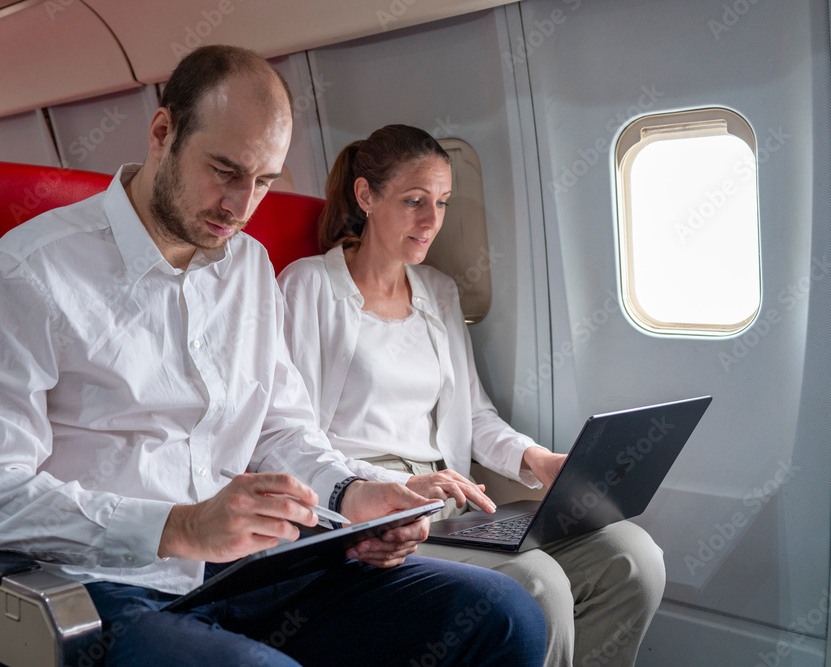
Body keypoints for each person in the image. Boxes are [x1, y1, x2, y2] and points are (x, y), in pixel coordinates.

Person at [0, 49, 547, 666]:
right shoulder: (31, 270)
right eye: (224, 170)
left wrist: (356, 495)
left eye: (265, 181)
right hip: (103, 591)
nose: (240, 205)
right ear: (163, 134)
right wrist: (177, 527)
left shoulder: (248, 268)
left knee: (506, 614)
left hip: (251, 573)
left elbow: (280, 428)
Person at [278, 124, 668, 667]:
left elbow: (476, 417)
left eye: (440, 202)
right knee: (536, 584)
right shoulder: (308, 287)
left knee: (632, 558)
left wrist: (539, 459)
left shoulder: (438, 291)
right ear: (366, 196)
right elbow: (291, 436)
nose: (431, 221)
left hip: (452, 500)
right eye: (414, 201)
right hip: (371, 513)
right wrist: (401, 484)